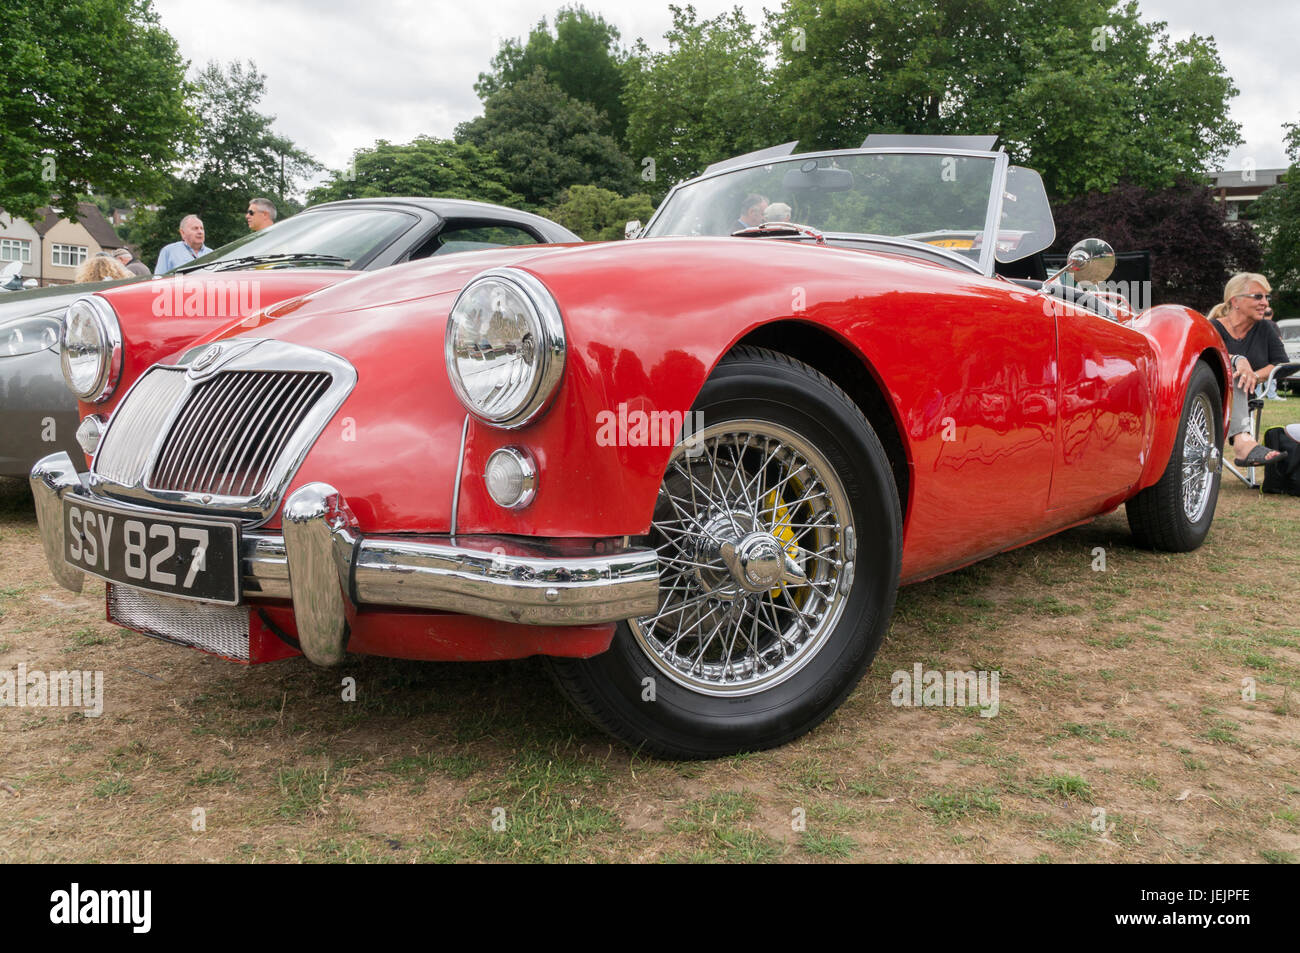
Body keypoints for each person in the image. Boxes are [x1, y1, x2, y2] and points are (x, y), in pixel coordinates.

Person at [1208, 272, 1289, 467]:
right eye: (1258, 296)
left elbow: (1281, 365)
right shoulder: (1211, 328)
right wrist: (1238, 360)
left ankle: (1244, 440)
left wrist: (1255, 375)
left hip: (1247, 394)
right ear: (1235, 301)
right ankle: (1243, 442)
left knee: (1241, 376)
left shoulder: (1265, 328)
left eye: (1266, 297)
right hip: (1212, 395)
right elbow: (1204, 357)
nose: (1265, 303)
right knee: (1234, 373)